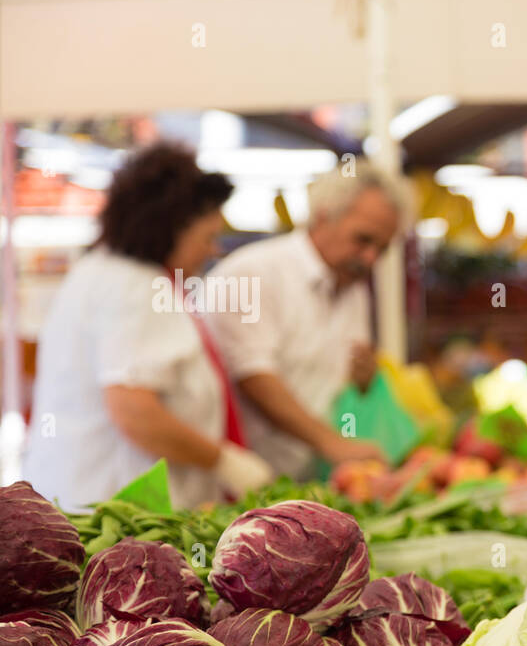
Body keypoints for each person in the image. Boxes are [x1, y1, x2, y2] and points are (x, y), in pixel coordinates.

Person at [25, 143, 272, 509]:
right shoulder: (134, 288)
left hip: (89, 499)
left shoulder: (103, 272)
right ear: (170, 228)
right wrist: (223, 461)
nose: (211, 251)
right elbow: (134, 411)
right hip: (117, 511)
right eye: (206, 237)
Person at [205, 162, 409, 480]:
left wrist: (365, 379)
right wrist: (333, 443)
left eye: (382, 248)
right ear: (324, 216)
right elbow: (252, 376)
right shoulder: (252, 274)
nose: (371, 258)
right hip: (246, 485)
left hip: (311, 482)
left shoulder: (353, 289)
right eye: (363, 240)